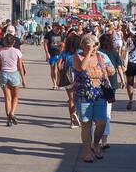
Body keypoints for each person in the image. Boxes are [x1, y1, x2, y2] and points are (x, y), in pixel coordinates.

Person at [72, 33, 111, 162]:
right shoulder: (77, 57)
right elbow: (82, 68)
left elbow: (108, 70)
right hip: (83, 96)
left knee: (102, 122)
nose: (94, 48)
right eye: (91, 46)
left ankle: (96, 144)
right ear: (83, 45)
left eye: (95, 46)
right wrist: (88, 53)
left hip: (99, 95)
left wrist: (109, 70)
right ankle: (87, 152)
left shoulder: (100, 57)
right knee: (86, 124)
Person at [98, 32, 124, 148]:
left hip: (98, 84)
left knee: (97, 112)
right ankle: (104, 140)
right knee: (107, 113)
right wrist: (122, 80)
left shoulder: (97, 53)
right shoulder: (114, 52)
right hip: (111, 85)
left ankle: (96, 140)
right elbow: (119, 67)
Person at [0, 30, 27, 124]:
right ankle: (12, 113)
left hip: (3, 74)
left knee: (7, 98)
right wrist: (23, 79)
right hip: (14, 74)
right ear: (13, 42)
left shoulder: (0, 52)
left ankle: (8, 119)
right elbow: (20, 66)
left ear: (4, 42)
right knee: (15, 96)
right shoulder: (17, 52)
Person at [43, 21, 65, 88]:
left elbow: (64, 43)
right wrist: (47, 53)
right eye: (56, 28)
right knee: (53, 69)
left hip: (60, 54)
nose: (57, 30)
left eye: (58, 28)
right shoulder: (49, 34)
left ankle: (58, 83)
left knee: (59, 69)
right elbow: (45, 44)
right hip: (51, 54)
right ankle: (54, 84)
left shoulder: (62, 34)